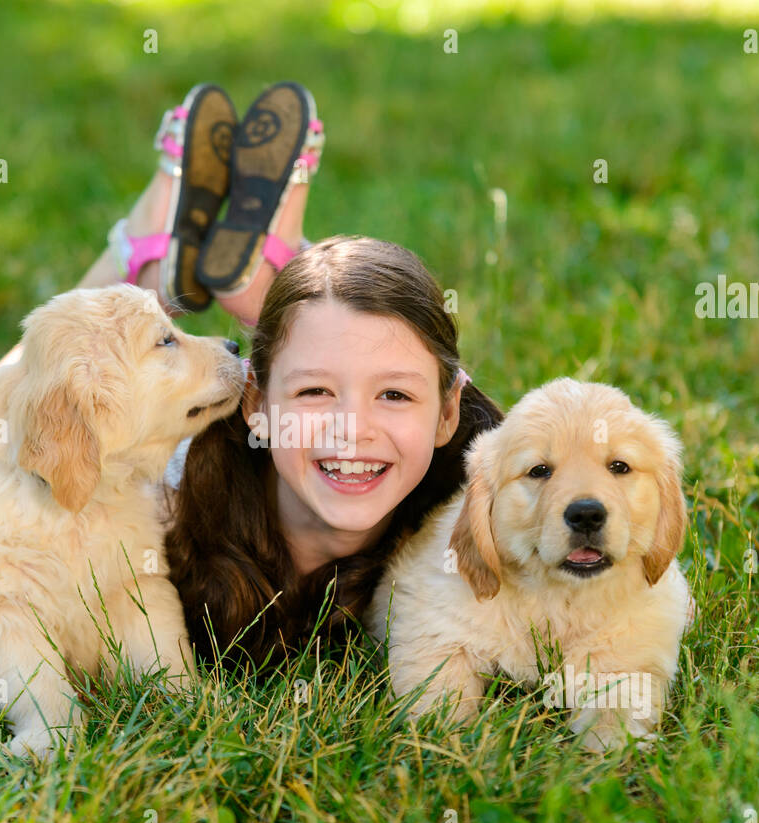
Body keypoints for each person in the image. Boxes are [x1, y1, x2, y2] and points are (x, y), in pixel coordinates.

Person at [62, 81, 505, 670]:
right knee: (52, 410)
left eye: (393, 395)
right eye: (316, 392)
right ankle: (166, 244)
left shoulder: (489, 504)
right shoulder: (168, 495)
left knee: (343, 334)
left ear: (448, 413)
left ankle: (233, 265)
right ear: (254, 404)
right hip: (196, 423)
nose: (352, 430)